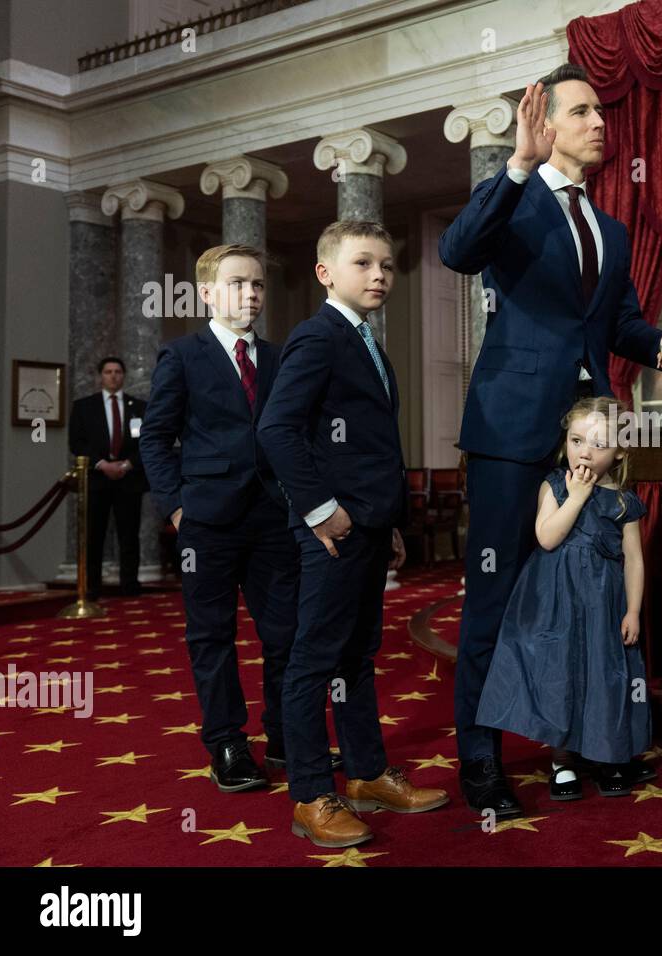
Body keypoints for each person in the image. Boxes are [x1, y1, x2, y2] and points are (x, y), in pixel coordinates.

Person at [438, 63, 662, 818]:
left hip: (586, 440)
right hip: (508, 430)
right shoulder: (516, 199)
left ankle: (590, 743)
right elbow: (457, 252)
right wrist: (518, 164)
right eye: (585, 111)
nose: (601, 123)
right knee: (493, 601)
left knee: (587, 599)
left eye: (602, 112)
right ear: (547, 123)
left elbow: (617, 326)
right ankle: (479, 759)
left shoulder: (613, 226)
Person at [257, 220, 448, 848]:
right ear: (325, 273)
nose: (380, 276)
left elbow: (369, 446)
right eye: (363, 263)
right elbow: (276, 431)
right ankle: (312, 795)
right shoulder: (317, 337)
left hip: (367, 526)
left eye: (388, 266)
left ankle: (366, 774)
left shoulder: (367, 343)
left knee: (357, 656)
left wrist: (388, 522)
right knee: (313, 661)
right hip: (330, 532)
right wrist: (319, 511)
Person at [141, 243, 331, 794]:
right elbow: (156, 438)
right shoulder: (182, 356)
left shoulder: (279, 358)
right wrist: (176, 505)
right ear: (207, 292)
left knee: (286, 635)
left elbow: (299, 436)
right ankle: (226, 742)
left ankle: (284, 735)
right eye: (237, 283)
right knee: (211, 636)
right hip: (208, 522)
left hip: (275, 517)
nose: (250, 294)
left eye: (258, 285)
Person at [475, 397, 649, 799]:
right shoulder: (554, 486)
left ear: (620, 450)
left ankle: (608, 757)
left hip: (605, 608)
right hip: (557, 606)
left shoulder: (624, 501)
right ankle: (562, 760)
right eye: (575, 440)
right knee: (561, 677)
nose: (584, 451)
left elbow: (634, 561)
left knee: (605, 678)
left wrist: (634, 610)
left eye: (598, 443)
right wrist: (576, 497)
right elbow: (547, 537)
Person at [67, 356, 147, 598]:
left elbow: (146, 441)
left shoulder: (139, 407)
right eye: (108, 372)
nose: (113, 376)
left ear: (124, 376)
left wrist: (126, 464)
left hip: (128, 479)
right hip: (97, 480)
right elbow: (77, 442)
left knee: (129, 535)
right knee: (94, 535)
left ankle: (130, 584)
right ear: (100, 376)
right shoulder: (84, 407)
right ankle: (92, 586)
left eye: (118, 372)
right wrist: (102, 464)